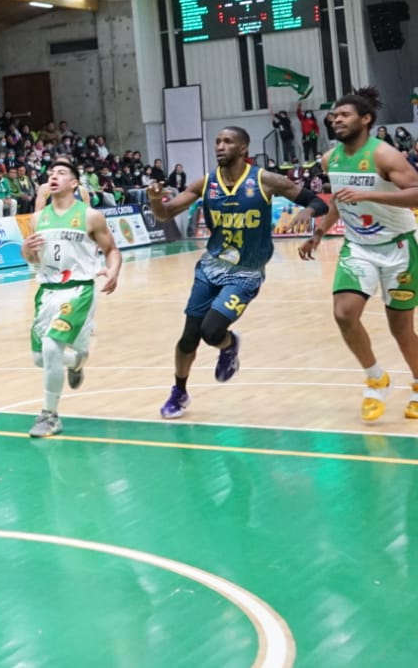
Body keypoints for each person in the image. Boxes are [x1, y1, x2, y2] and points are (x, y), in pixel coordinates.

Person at [148, 126, 325, 419]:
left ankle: (228, 346)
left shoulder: (265, 179)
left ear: (243, 149)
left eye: (227, 141)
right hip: (210, 268)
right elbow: (165, 214)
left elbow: (316, 200)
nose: (220, 146)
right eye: (217, 141)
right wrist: (155, 199)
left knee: (212, 331)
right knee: (189, 337)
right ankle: (179, 392)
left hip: (246, 272)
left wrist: (307, 213)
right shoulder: (206, 183)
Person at [298, 87, 418, 422]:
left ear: (365, 119)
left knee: (400, 329)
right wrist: (319, 233)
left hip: (399, 246)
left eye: (344, 115)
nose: (337, 120)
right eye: (334, 116)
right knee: (344, 313)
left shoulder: (385, 155)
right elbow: (339, 199)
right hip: (358, 247)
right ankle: (375, 377)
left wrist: (371, 195)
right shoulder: (329, 158)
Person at [20, 158, 122, 438]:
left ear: (74, 183)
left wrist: (113, 271)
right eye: (51, 173)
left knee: (52, 346)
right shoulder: (38, 218)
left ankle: (49, 415)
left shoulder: (90, 216)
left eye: (61, 173)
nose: (53, 176)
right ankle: (77, 359)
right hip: (46, 290)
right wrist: (25, 249)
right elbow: (32, 259)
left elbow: (111, 249)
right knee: (40, 358)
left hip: (78, 289)